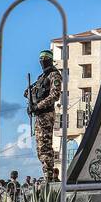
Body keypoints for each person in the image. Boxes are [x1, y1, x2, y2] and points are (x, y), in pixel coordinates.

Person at [25, 49, 63, 178]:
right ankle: (48, 174)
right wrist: (30, 101)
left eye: (45, 58)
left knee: (45, 147)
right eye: (41, 59)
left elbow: (55, 95)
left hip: (46, 114)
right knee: (40, 149)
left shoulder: (54, 75)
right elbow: (31, 93)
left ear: (50, 60)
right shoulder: (41, 78)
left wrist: (37, 106)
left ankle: (49, 176)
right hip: (39, 116)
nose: (42, 61)